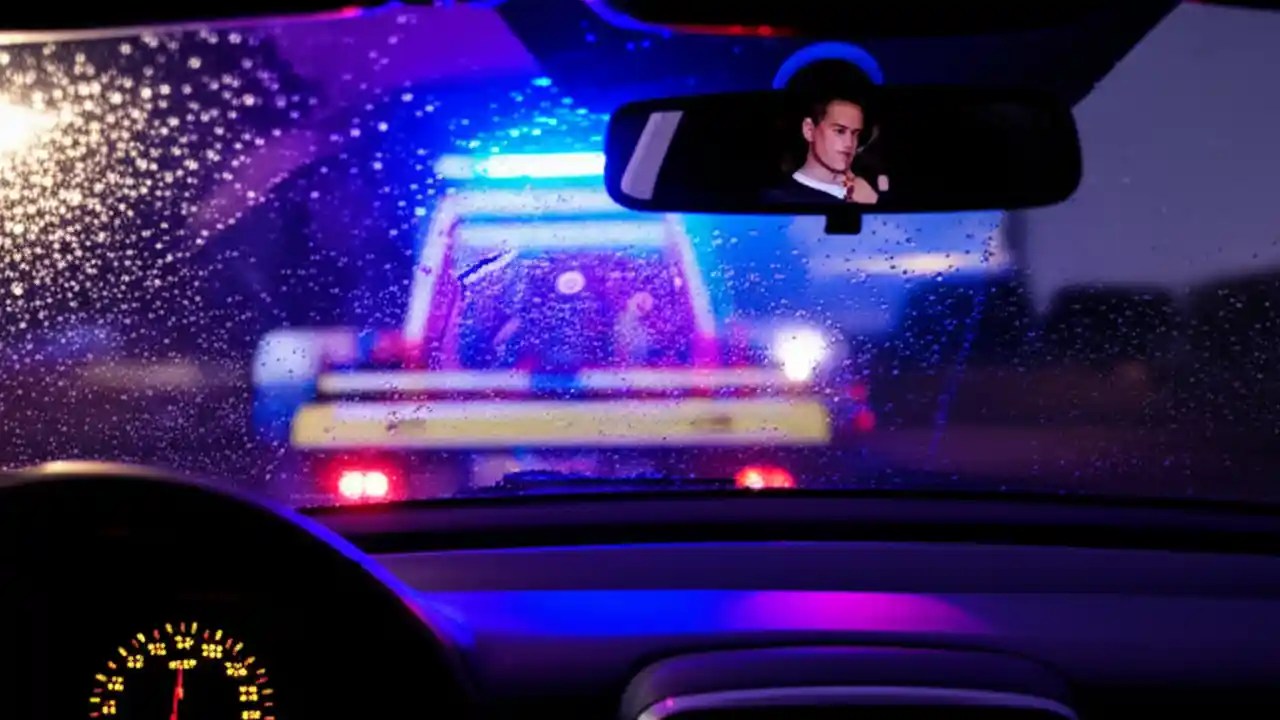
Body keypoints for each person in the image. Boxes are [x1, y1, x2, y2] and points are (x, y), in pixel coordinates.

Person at [764, 86, 882, 205]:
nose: (850, 143)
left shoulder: (867, 190)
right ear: (809, 130)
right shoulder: (781, 199)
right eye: (840, 131)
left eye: (855, 133)